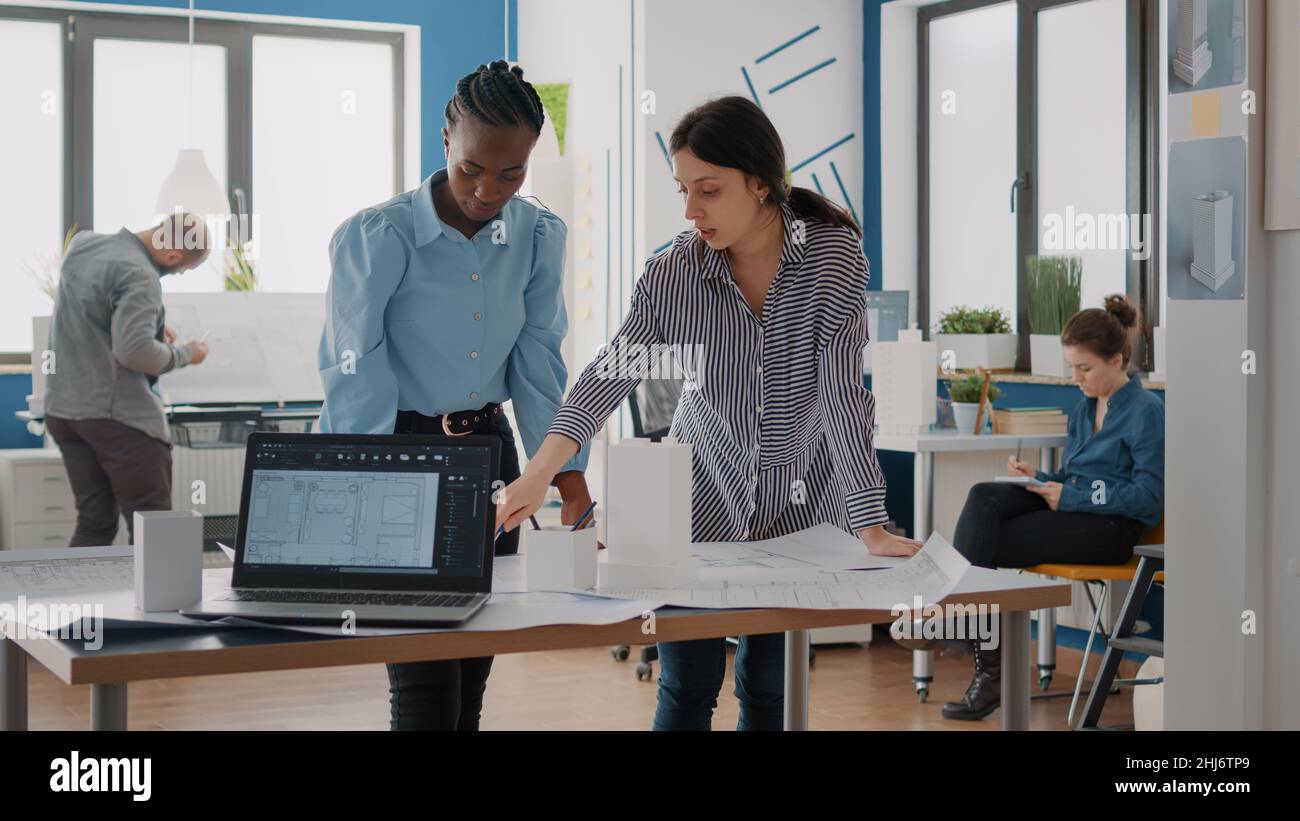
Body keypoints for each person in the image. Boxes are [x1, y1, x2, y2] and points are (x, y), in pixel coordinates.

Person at [495, 96, 919, 731]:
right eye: (682, 190)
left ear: (762, 181)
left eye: (709, 190)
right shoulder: (673, 272)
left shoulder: (833, 257)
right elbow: (605, 380)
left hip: (799, 505)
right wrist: (541, 473)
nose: (691, 211)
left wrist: (870, 523)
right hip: (697, 504)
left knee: (772, 690)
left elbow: (840, 392)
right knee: (687, 685)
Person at [317, 60, 596, 731]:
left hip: (488, 463)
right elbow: (354, 370)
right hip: (400, 456)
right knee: (422, 686)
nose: (488, 189)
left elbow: (537, 362)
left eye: (511, 173)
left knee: (470, 672)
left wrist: (569, 473)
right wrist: (351, 485)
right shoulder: (379, 236)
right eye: (473, 167)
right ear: (447, 137)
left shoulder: (536, 236)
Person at [941, 294, 1164, 721]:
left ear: (1117, 360)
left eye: (1085, 369)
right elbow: (1072, 475)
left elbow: (1148, 501)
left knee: (989, 542)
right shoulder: (1085, 407)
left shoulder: (1147, 412)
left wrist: (1072, 496)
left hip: (1112, 532)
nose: (1077, 379)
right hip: (1073, 511)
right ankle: (971, 635)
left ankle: (979, 657)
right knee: (983, 496)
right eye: (1072, 369)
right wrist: (1040, 480)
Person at [45, 212, 211, 547]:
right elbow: (135, 353)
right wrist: (186, 354)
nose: (178, 273)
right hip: (118, 419)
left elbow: (89, 310)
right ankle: (159, 602)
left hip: (64, 412)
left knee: (95, 524)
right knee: (155, 529)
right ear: (173, 255)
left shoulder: (84, 244)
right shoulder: (141, 275)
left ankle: (81, 601)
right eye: (183, 269)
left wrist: (147, 325)